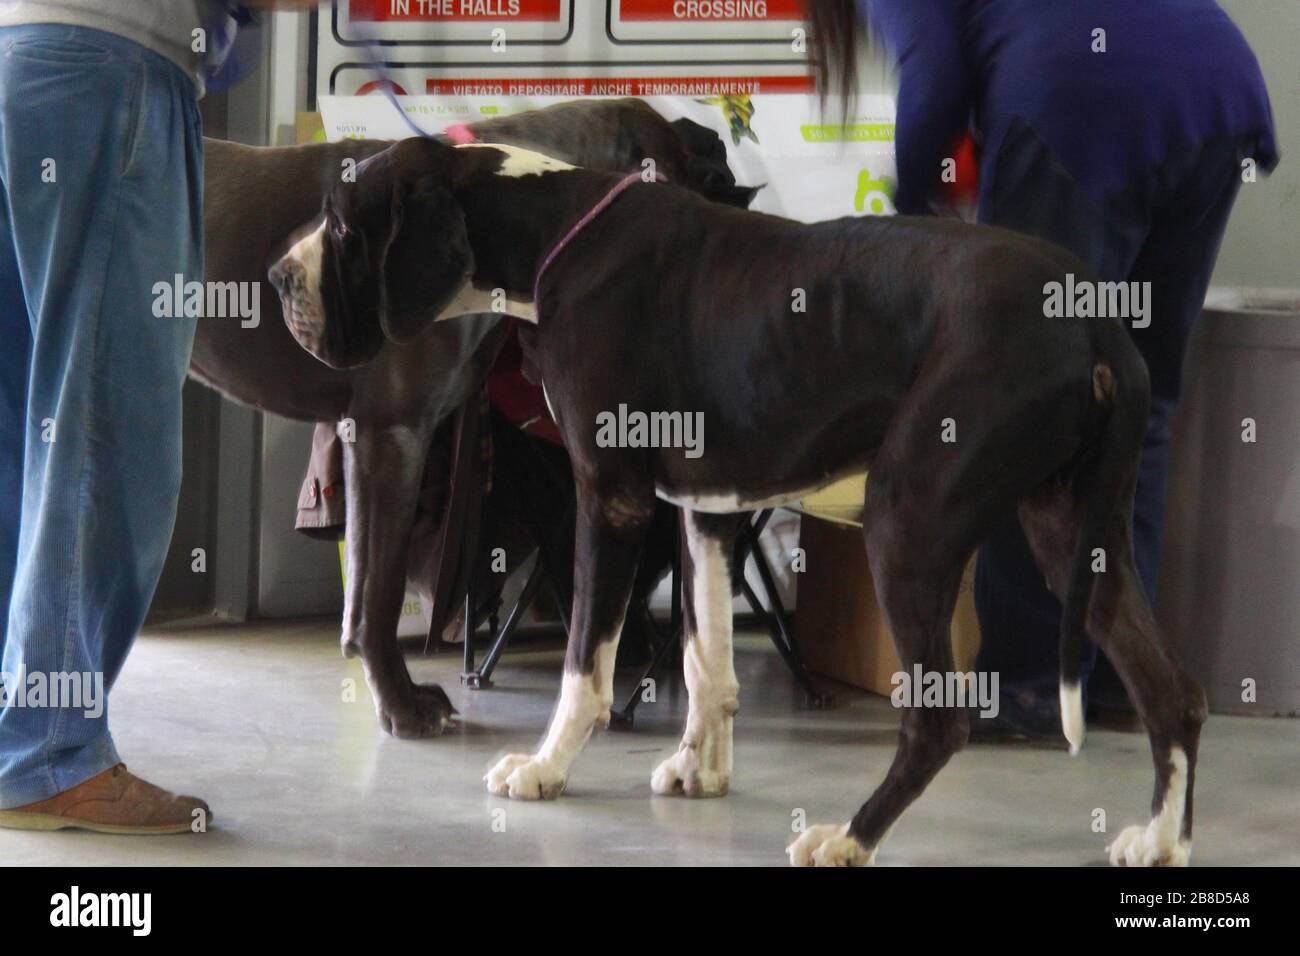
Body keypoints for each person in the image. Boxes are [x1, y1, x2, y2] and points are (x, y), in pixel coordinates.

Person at [805, 0, 1277, 738]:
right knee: (1135, 403)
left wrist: (904, 225)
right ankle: (1127, 680)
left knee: (1024, 413)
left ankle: (1024, 688)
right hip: (1218, 93)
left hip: (1082, 110)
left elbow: (933, 78)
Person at [0, 0, 316, 834]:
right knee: (104, 427)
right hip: (113, 70)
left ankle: (16, 743)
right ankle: (47, 752)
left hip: (13, 53)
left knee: (19, 434)